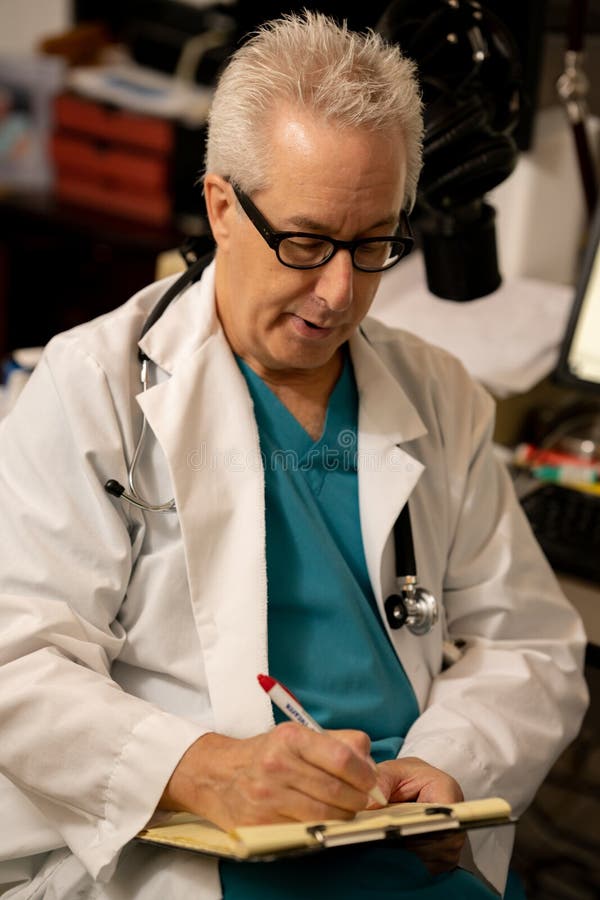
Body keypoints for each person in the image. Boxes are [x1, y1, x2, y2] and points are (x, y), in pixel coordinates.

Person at [0, 11, 588, 900]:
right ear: (223, 207)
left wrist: (450, 766)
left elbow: (532, 644)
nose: (340, 291)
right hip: (189, 849)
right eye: (306, 243)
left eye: (374, 244)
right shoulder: (95, 386)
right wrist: (202, 767)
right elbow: (17, 661)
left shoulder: (441, 396)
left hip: (400, 843)